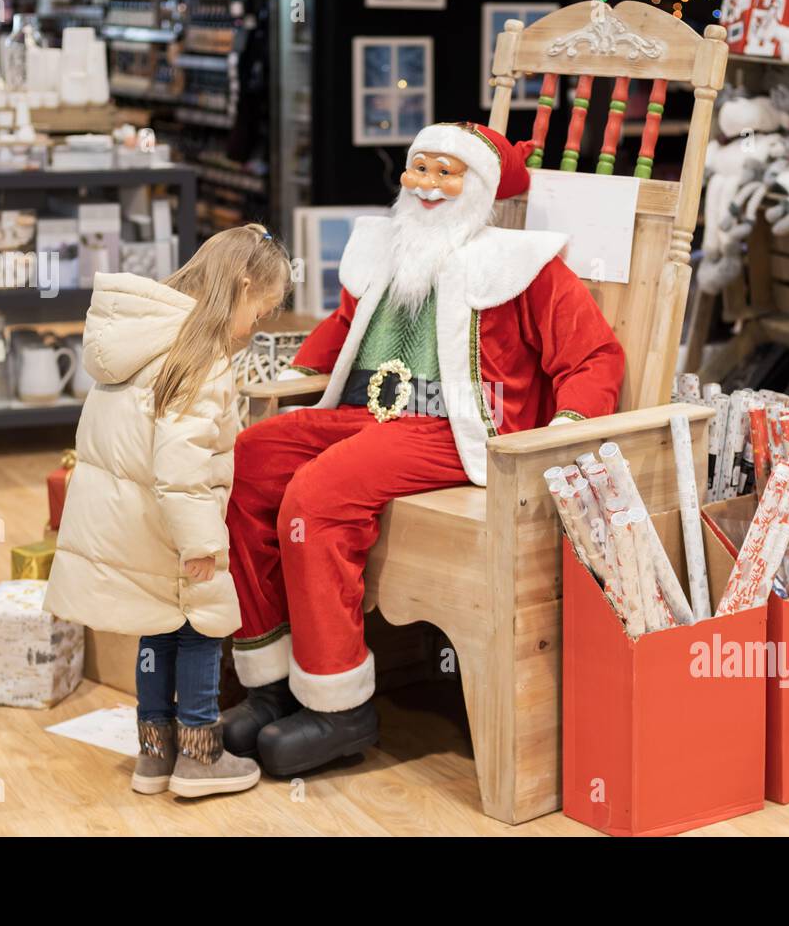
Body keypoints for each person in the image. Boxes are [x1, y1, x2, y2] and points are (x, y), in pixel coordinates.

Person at [223, 122, 626, 776]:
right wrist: (294, 375)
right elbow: (345, 328)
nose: (430, 185)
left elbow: (594, 355)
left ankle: (338, 704)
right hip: (364, 412)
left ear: (480, 187)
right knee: (253, 457)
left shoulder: (522, 265)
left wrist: (569, 426)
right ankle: (270, 683)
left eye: (448, 172)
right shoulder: (386, 250)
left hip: (456, 429)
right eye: (421, 169)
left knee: (316, 497)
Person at [45, 224, 289, 798]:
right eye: (260, 313)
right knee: (202, 628)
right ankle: (200, 757)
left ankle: (154, 756)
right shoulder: (200, 360)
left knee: (157, 631)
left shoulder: (145, 340)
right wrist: (202, 544)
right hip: (172, 526)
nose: (254, 329)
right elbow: (181, 469)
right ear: (242, 287)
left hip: (128, 520)